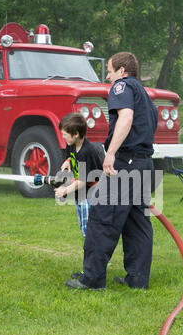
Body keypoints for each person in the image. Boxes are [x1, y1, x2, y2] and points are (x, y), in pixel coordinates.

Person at [65, 52, 158, 291]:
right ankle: (137, 279)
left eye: (110, 71)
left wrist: (111, 153)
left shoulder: (122, 87)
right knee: (137, 221)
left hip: (125, 164)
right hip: (144, 163)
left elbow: (126, 118)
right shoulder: (145, 95)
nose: (107, 76)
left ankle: (92, 279)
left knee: (103, 217)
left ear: (122, 71)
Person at [55, 113, 103, 244]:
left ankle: (96, 252)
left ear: (76, 134)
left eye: (65, 134)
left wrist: (64, 191)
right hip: (81, 192)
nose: (63, 137)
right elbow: (72, 156)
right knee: (83, 225)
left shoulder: (86, 151)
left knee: (90, 227)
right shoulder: (72, 144)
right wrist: (68, 161)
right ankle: (92, 249)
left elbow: (82, 182)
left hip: (92, 193)